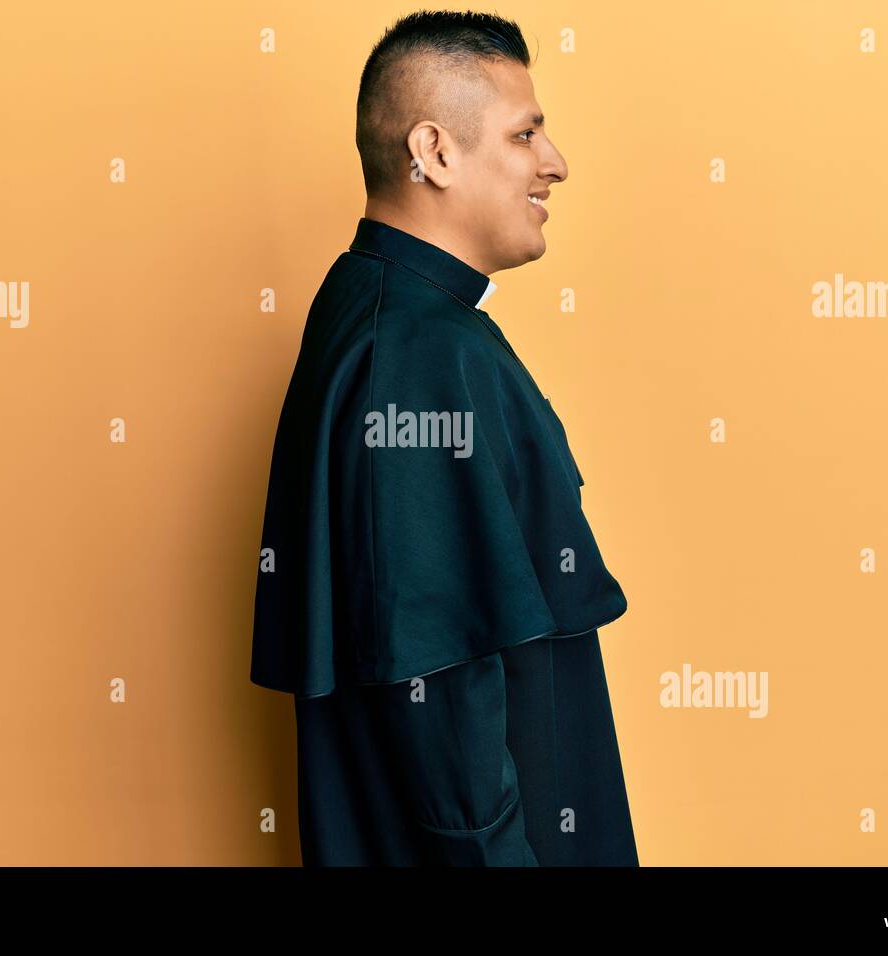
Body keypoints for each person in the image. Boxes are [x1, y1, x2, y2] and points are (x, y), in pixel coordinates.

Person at [250, 10, 638, 866]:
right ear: (434, 152)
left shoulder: (377, 308)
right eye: (525, 132)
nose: (555, 163)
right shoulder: (421, 353)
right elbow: (440, 689)